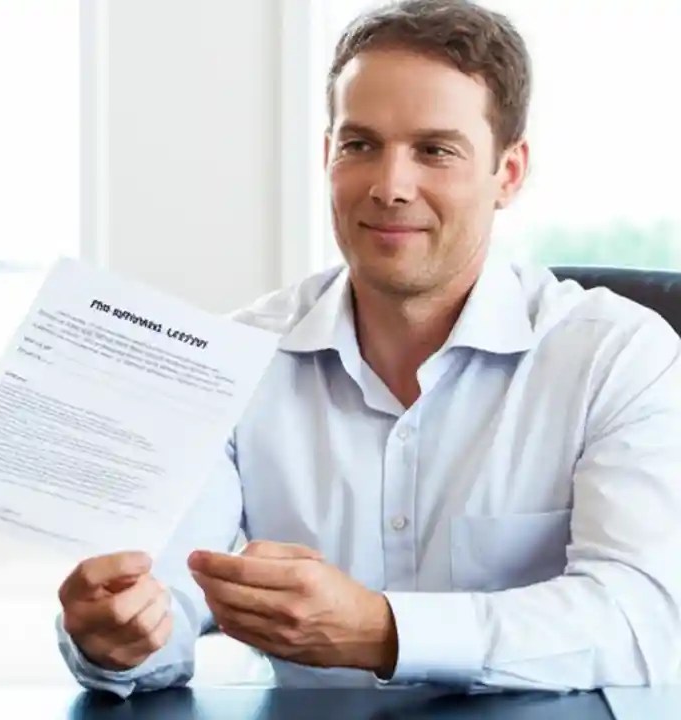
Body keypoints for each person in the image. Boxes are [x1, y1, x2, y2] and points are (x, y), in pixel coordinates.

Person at [56, 0, 681, 696]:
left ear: (508, 172)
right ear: (327, 155)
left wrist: (384, 631)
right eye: (360, 145)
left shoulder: (619, 357)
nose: (390, 186)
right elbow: (162, 597)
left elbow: (639, 619)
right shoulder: (233, 357)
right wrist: (120, 638)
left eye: (435, 151)